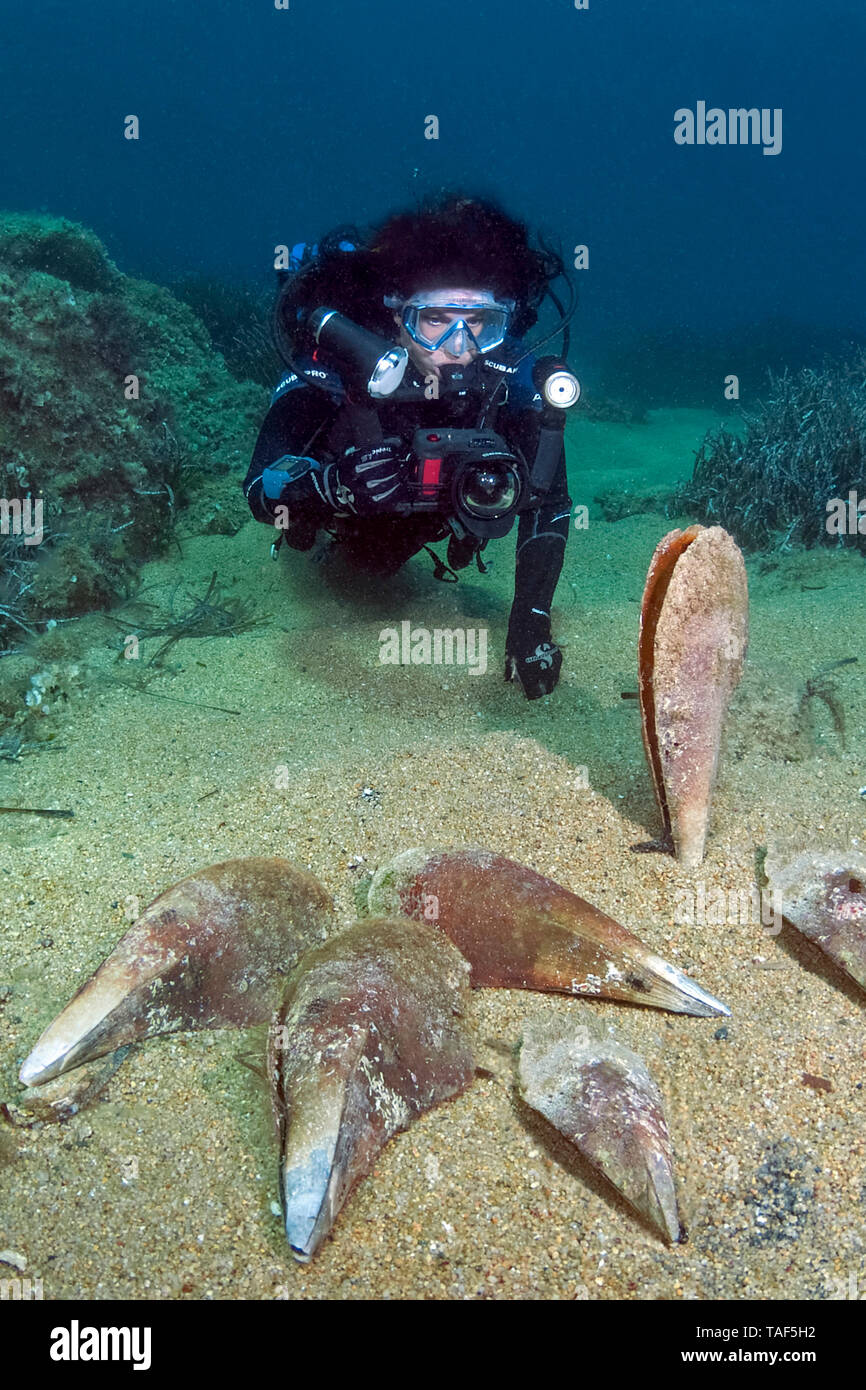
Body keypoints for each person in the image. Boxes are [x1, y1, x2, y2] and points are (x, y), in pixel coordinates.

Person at [243, 195, 574, 698]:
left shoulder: (508, 385)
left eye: (479, 323)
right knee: (364, 566)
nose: (460, 346)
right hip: (348, 518)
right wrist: (331, 486)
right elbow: (257, 489)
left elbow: (549, 501)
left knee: (383, 560)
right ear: (397, 317)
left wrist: (531, 620)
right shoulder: (338, 369)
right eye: (436, 320)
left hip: (429, 521)